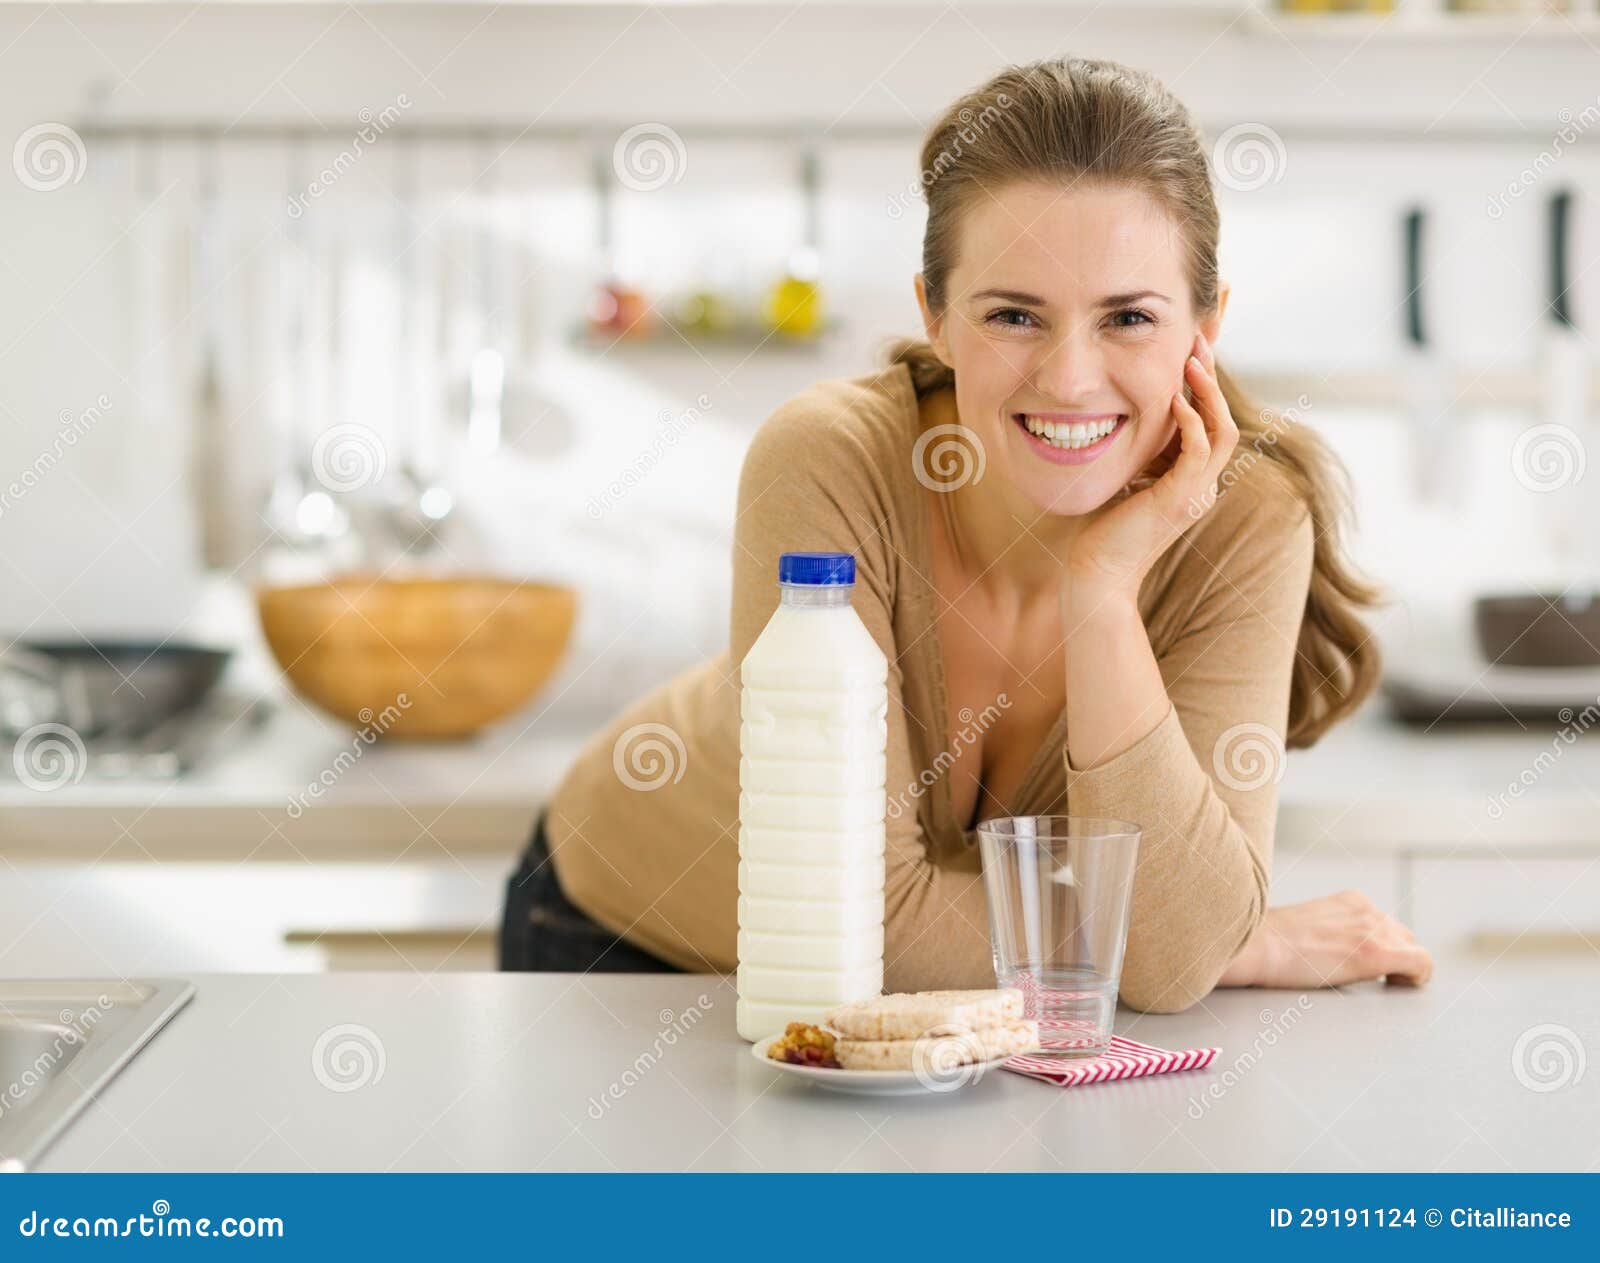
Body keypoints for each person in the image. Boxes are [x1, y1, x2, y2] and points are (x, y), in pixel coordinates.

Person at [500, 55, 1434, 1010]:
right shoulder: (828, 460)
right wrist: (1209, 941)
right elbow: (872, 930)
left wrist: (1102, 594)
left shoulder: (1245, 521)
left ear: (1206, 324)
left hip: (973, 1017)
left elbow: (1174, 955)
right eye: (1015, 315)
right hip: (628, 953)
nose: (1070, 379)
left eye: (1128, 317)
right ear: (936, 317)